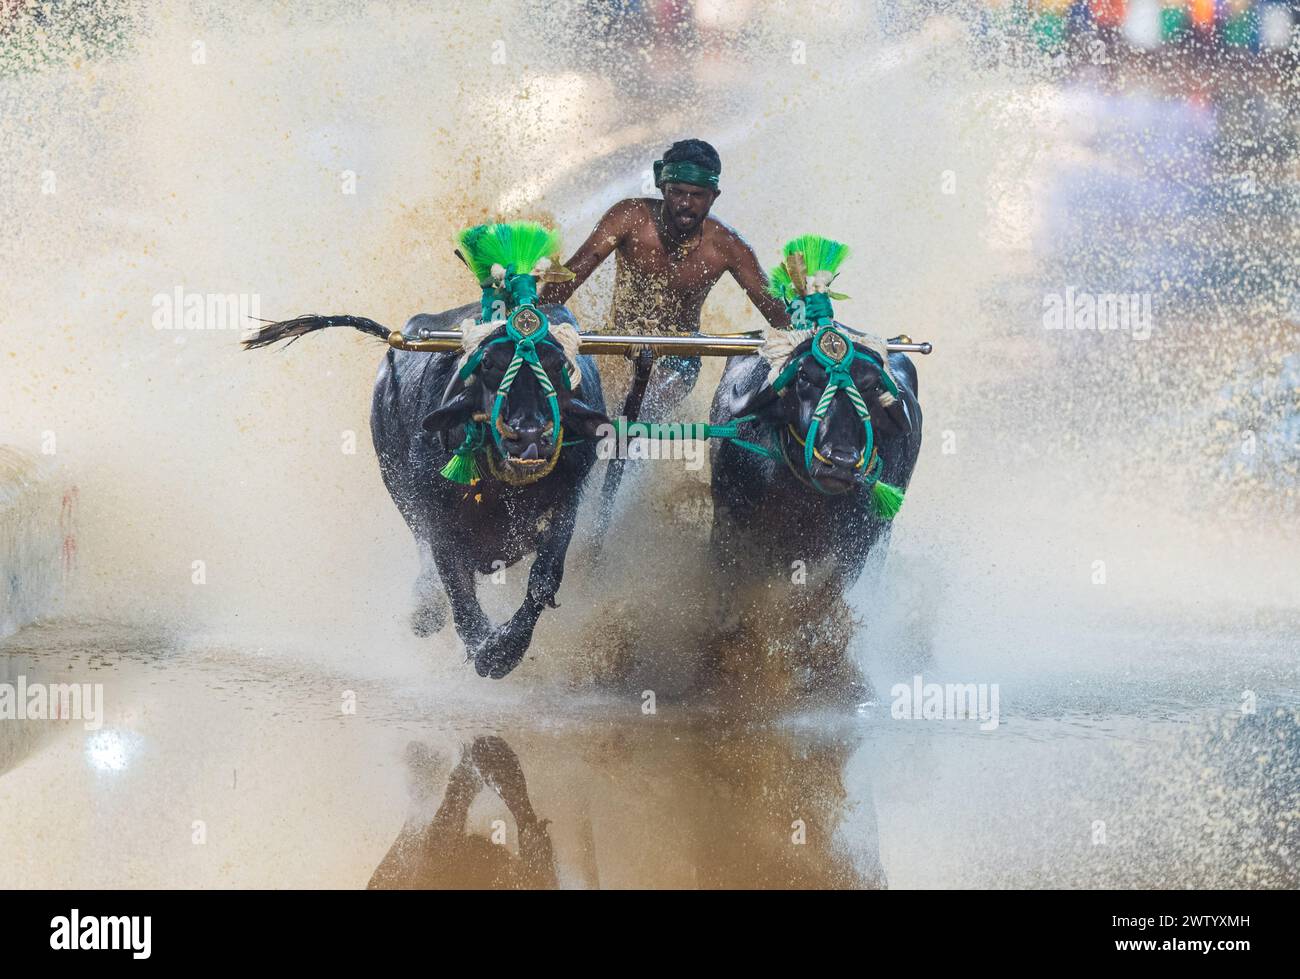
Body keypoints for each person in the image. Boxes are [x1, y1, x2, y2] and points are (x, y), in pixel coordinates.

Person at [542, 138, 789, 418]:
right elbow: (571, 276)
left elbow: (781, 316)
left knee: (639, 414)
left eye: (697, 195)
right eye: (677, 192)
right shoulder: (630, 218)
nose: (685, 204)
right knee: (591, 409)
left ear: (714, 196)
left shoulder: (728, 247)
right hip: (616, 348)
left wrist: (815, 329)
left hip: (679, 357)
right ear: (662, 188)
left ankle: (628, 451)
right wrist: (529, 316)